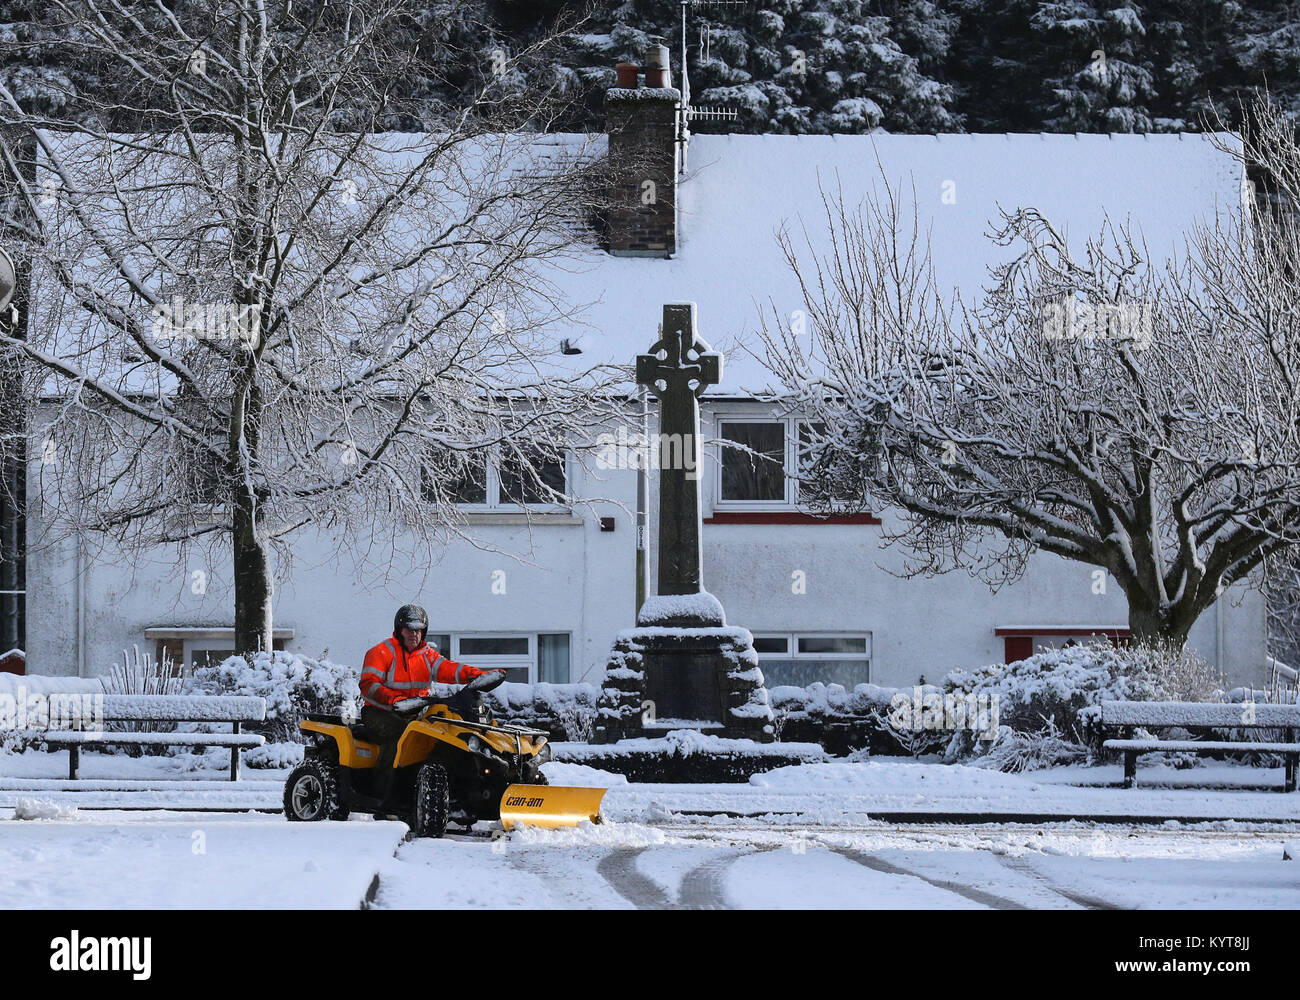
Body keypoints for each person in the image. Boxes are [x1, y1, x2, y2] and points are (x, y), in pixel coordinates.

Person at [360, 604, 500, 806]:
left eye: (418, 630)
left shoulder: (427, 656)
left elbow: (450, 669)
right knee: (402, 735)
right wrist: (394, 700)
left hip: (414, 712)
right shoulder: (381, 652)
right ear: (400, 630)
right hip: (379, 712)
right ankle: (384, 794)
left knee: (440, 734)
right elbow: (368, 684)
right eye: (409, 629)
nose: (414, 635)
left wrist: (478, 675)